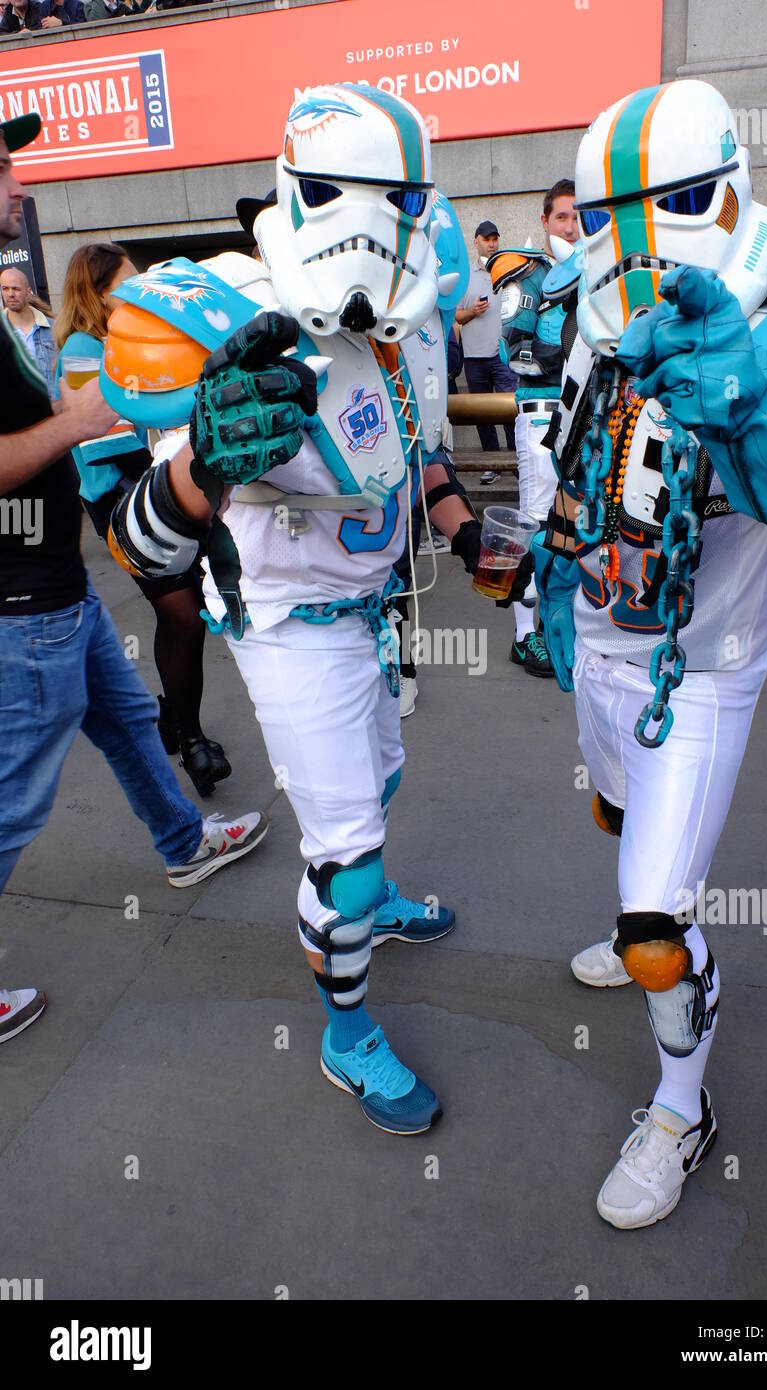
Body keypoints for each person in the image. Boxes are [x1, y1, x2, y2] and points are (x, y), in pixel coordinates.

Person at [104, 84, 531, 1135]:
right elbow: (140, 540)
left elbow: (419, 454)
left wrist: (469, 532)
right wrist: (204, 458)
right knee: (344, 858)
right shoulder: (226, 311)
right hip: (287, 623)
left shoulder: (410, 318)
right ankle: (344, 1034)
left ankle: (370, 905)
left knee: (381, 774)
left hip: (373, 603)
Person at [537, 79, 767, 1228]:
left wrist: (762, 407)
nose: (632, 244)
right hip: (597, 632)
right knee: (615, 818)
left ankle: (681, 1106)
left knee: (653, 933)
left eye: (668, 203)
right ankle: (638, 900)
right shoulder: (570, 316)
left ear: (728, 188)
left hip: (704, 659)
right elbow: (561, 472)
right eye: (606, 216)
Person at [0, 114, 268, 1046]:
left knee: (127, 724)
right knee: (13, 802)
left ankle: (185, 843)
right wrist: (84, 418)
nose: (19, 186)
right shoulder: (46, 335)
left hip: (55, 585)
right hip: (20, 602)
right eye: (4, 169)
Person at [54, 242, 233, 795]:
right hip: (120, 496)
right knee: (180, 612)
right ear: (95, 291)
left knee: (183, 614)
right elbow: (106, 441)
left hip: (153, 489)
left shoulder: (125, 340)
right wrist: (174, 463)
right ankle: (190, 735)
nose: (138, 293)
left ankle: (175, 719)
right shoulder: (83, 350)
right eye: (126, 284)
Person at [488, 179, 583, 677]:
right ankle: (526, 635)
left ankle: (563, 619)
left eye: (578, 215)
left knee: (577, 522)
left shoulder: (599, 268)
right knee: (535, 521)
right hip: (544, 410)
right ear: (545, 221)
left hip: (588, 413)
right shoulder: (526, 276)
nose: (571, 225)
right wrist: (570, 355)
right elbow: (514, 352)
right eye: (562, 216)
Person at [455, 220, 517, 463]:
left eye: (494, 239)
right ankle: (492, 464)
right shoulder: (465, 276)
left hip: (502, 356)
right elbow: (457, 317)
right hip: (473, 357)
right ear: (476, 242)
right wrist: (473, 311)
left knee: (511, 410)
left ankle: (516, 462)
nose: (491, 244)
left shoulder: (507, 270)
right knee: (482, 416)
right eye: (486, 239)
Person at [1, 265, 56, 397]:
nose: (10, 294)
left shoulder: (53, 328)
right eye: (5, 289)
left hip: (52, 406)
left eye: (16, 289)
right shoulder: (2, 332)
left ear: (28, 292)